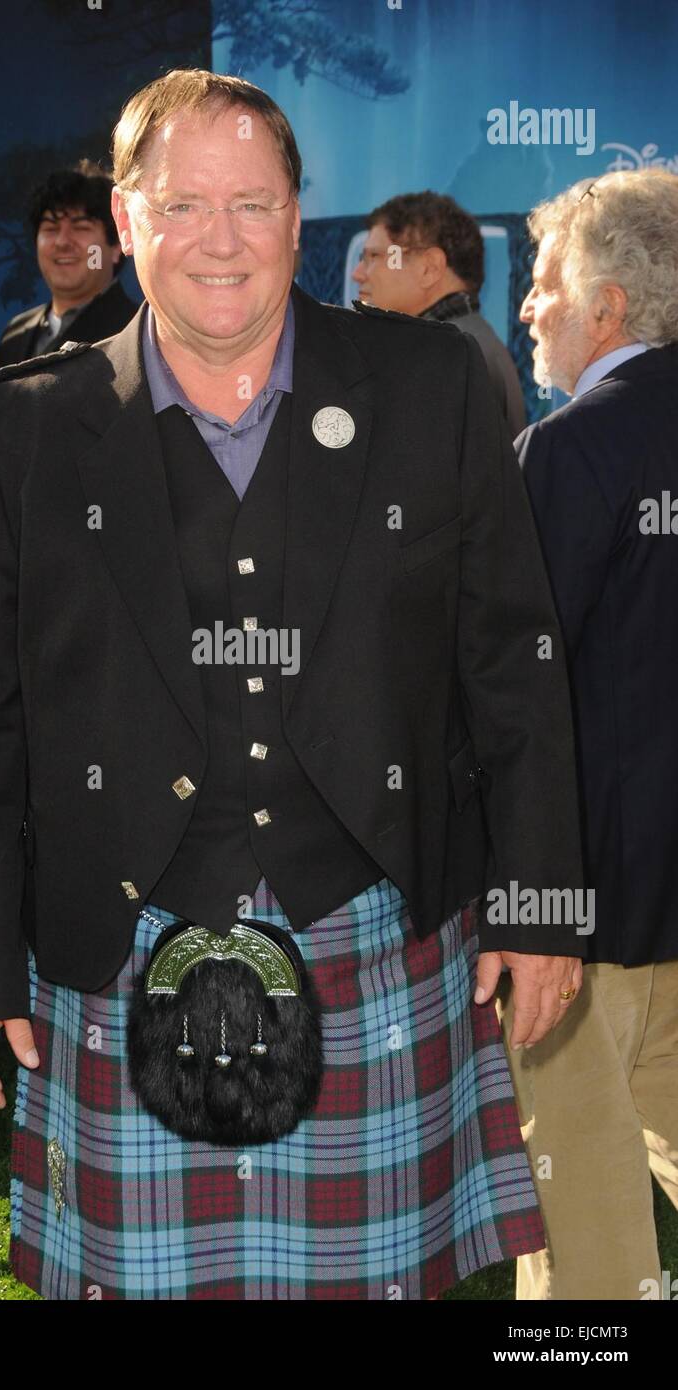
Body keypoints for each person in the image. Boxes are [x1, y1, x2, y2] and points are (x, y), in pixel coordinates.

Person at [0, 69, 585, 1301]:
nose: (217, 240)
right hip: (115, 941)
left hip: (377, 929)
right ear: (127, 222)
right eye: (181, 204)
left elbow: (512, 657)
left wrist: (539, 898)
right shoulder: (23, 425)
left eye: (252, 203)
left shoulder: (423, 388)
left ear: (296, 217)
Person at [502, 167, 678, 1300]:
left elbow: (517, 692)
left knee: (584, 1227)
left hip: (584, 905)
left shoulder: (568, 450)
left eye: (544, 282)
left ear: (606, 306)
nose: (527, 306)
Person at [353, 191, 527, 437]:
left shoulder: (447, 358)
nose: (358, 273)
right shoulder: (468, 347)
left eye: (374, 256)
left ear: (430, 268)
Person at [0, 160, 137, 368]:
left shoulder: (137, 332)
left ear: (116, 246)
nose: (62, 242)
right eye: (51, 228)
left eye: (81, 227)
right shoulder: (15, 334)